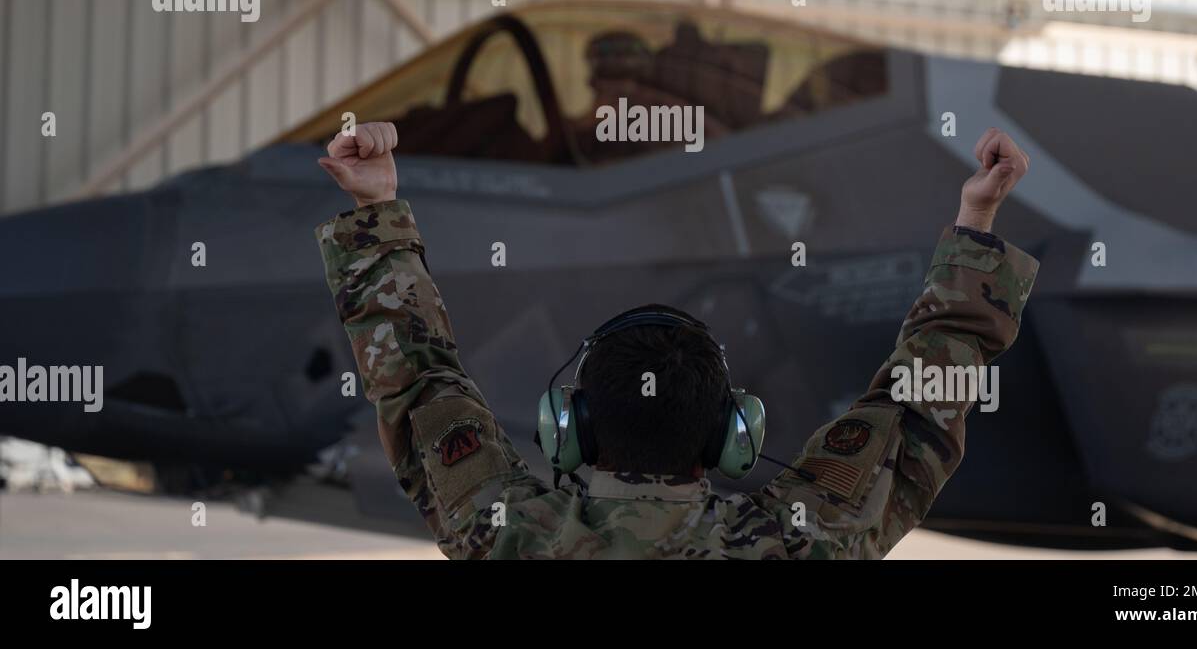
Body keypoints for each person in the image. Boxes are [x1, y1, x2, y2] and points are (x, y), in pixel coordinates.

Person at [316, 120, 1037, 558]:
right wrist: (976, 224)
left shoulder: (508, 536)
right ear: (731, 434)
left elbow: (414, 378)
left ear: (571, 429)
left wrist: (376, 204)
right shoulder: (801, 544)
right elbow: (916, 409)